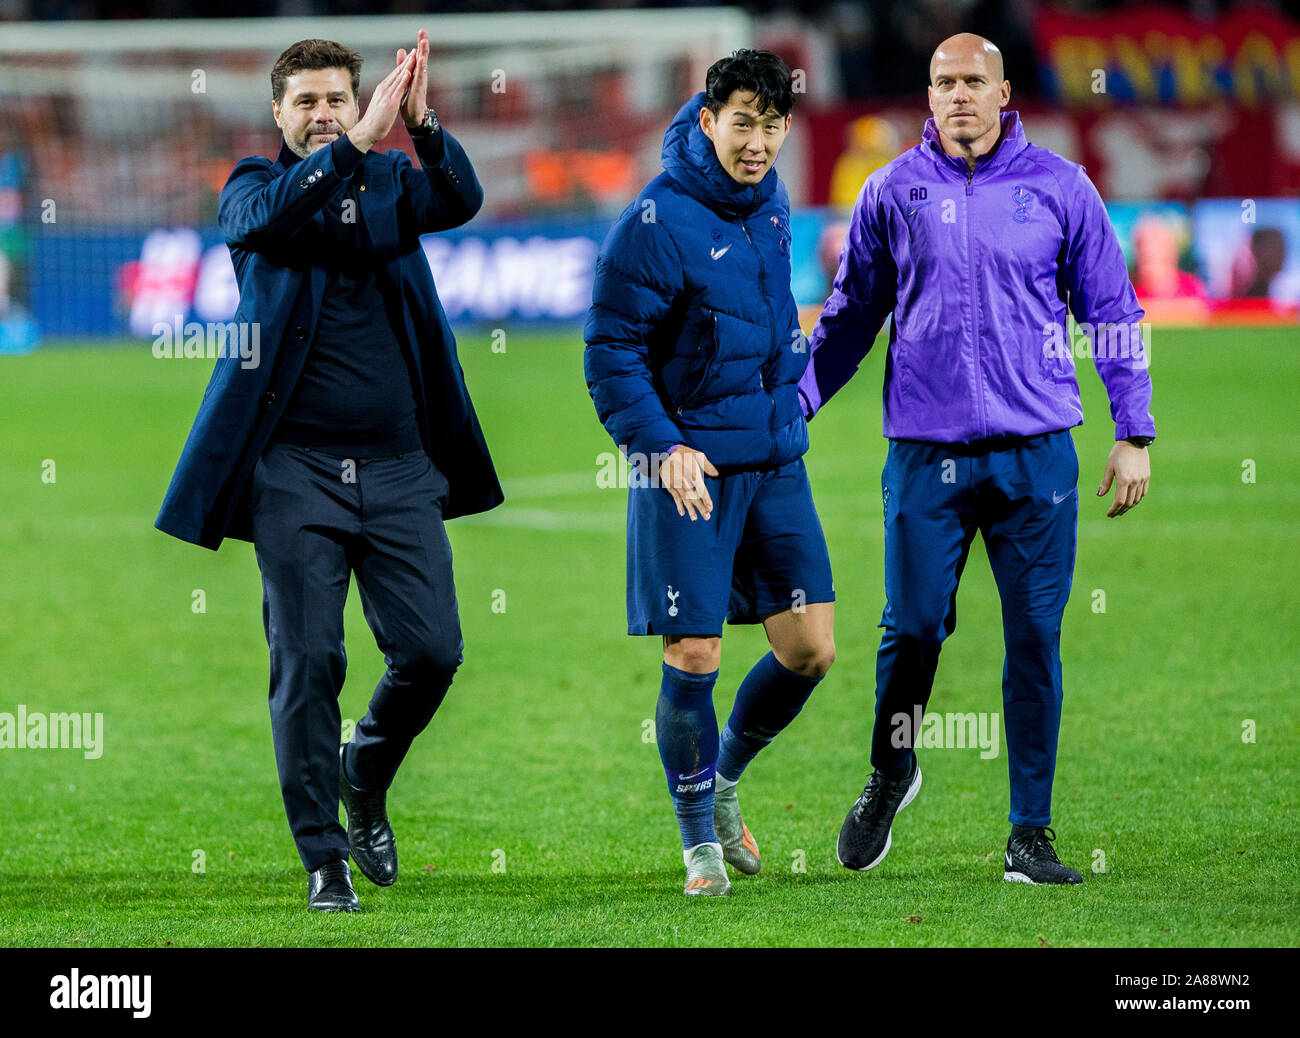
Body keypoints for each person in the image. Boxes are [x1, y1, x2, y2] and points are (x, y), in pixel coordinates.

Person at [155, 34, 503, 910]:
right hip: (292, 474)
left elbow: (461, 198)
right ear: (277, 114)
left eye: (337, 100)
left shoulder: (391, 185)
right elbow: (262, 224)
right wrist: (353, 148)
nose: (321, 114)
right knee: (308, 661)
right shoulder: (253, 190)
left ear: (359, 102)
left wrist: (420, 127)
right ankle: (323, 857)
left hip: (399, 466)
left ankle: (366, 771)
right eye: (305, 102)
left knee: (433, 650)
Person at [799, 34, 1155, 885]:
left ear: (1004, 94)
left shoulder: (1062, 189)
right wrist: (797, 404)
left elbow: (1112, 310)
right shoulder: (891, 193)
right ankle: (893, 770)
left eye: (974, 81)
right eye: (944, 82)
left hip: (1036, 458)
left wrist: (1133, 430)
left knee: (1035, 640)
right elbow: (851, 317)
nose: (959, 95)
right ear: (928, 95)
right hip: (924, 456)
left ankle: (1029, 837)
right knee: (911, 629)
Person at [585, 50, 836, 897]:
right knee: (694, 653)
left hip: (771, 460)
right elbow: (610, 350)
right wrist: (662, 448)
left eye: (771, 125)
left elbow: (766, 326)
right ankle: (698, 844)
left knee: (810, 650)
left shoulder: (772, 206)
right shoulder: (654, 222)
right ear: (706, 120)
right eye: (741, 123)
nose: (757, 142)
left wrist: (790, 405)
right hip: (687, 466)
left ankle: (723, 782)